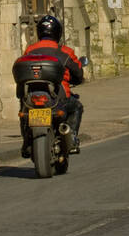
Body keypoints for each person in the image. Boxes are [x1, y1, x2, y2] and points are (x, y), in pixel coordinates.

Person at [18, 14, 85, 156]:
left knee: (24, 114)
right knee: (77, 106)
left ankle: (26, 142)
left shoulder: (29, 50)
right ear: (58, 33)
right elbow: (78, 74)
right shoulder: (65, 52)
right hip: (58, 98)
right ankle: (71, 138)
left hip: (31, 97)